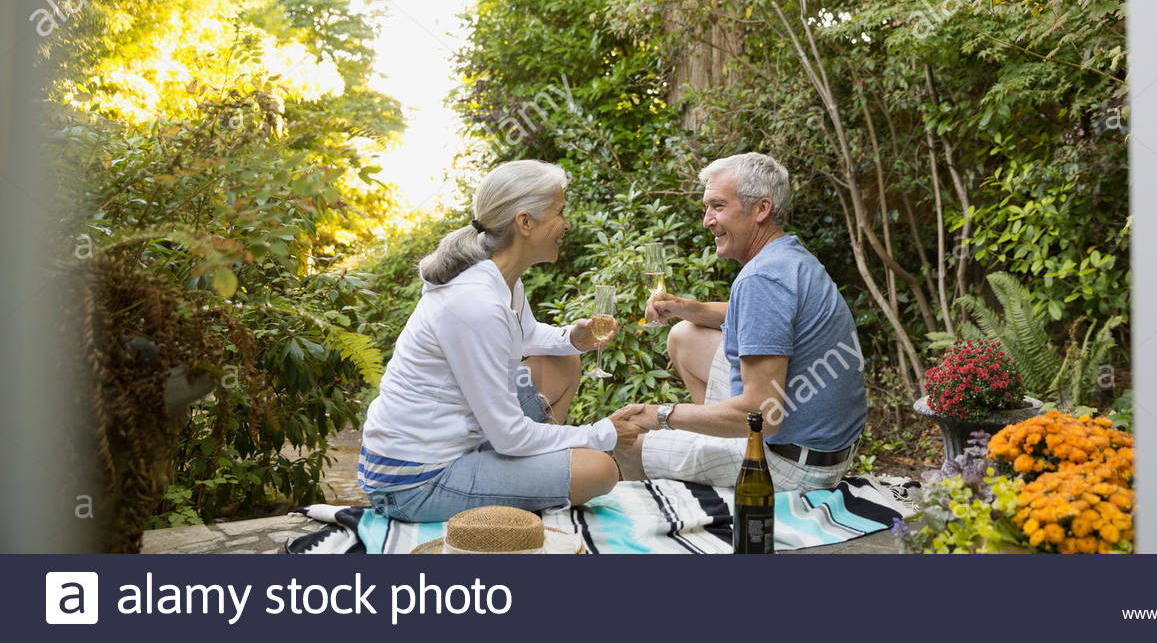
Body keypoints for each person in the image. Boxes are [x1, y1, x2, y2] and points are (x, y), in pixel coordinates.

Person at [358, 159, 641, 522]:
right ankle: (543, 474)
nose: (566, 224)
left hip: (464, 435)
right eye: (559, 212)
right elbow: (509, 436)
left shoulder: (503, 279)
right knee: (600, 470)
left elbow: (526, 336)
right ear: (525, 222)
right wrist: (602, 432)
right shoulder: (474, 301)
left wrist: (574, 336)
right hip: (413, 480)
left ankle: (540, 471)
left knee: (564, 360)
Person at [612, 153, 867, 493]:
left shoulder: (762, 279)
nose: (707, 220)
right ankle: (714, 440)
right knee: (684, 336)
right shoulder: (786, 257)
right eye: (706, 208)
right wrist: (688, 307)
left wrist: (662, 414)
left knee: (623, 443)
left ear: (761, 209)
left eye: (718, 206)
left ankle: (680, 494)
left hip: (791, 469)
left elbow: (762, 414)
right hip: (826, 449)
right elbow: (763, 320)